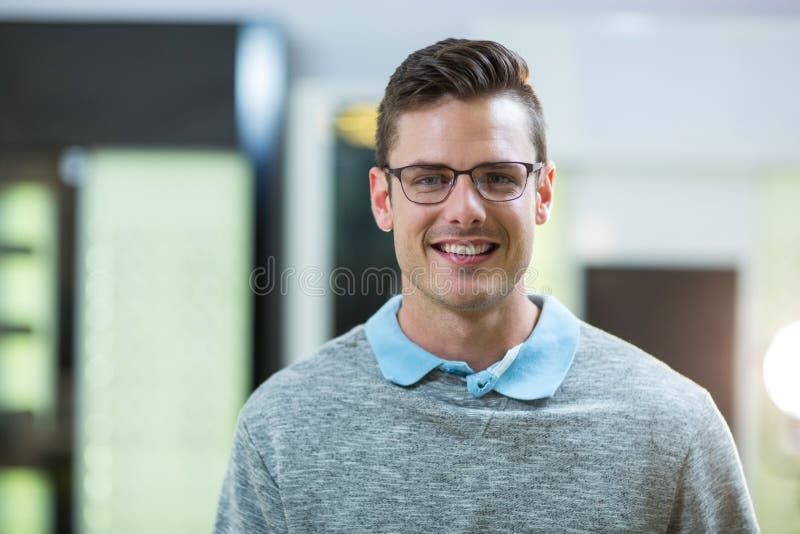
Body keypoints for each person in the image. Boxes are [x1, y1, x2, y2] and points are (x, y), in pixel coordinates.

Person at [214, 38, 758, 533]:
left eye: (498, 177)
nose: (465, 211)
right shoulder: (282, 427)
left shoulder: (674, 427)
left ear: (542, 194)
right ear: (383, 200)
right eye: (430, 179)